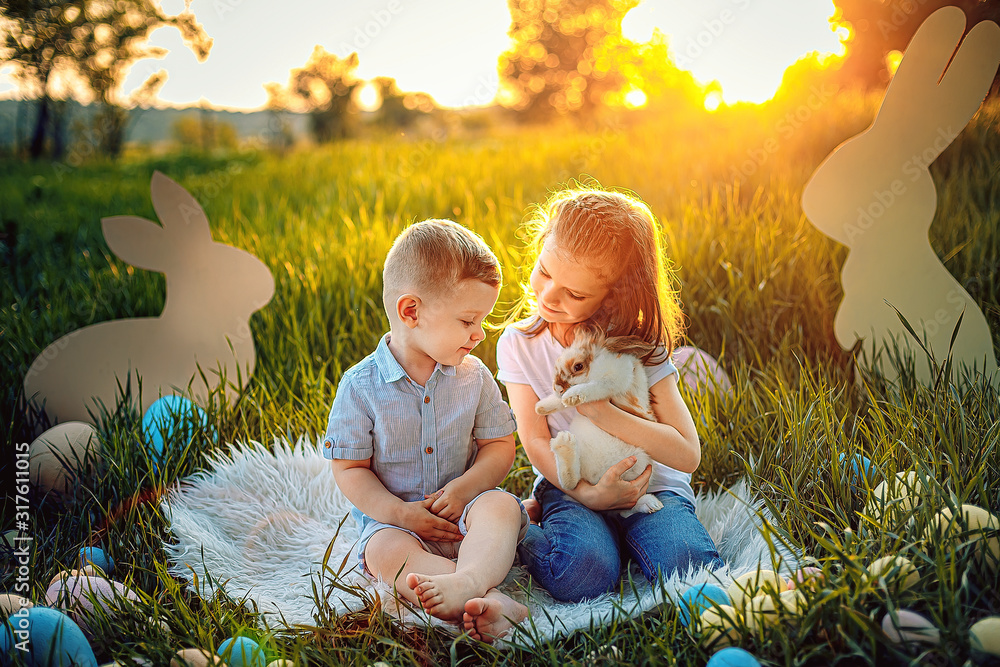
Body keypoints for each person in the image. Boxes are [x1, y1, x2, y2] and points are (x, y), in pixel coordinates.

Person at [496, 187, 724, 602]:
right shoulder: (519, 344)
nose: (548, 297)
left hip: (653, 489)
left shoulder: (641, 345)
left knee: (690, 565)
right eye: (545, 272)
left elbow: (687, 454)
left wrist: (602, 413)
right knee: (582, 575)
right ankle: (517, 525)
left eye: (575, 294)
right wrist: (590, 495)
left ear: (615, 293)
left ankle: (630, 540)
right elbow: (535, 440)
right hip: (573, 486)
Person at [324, 219, 530, 642]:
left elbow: (499, 446)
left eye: (483, 321)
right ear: (411, 312)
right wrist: (399, 513)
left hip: (465, 514)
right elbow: (350, 469)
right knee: (383, 554)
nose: (479, 334)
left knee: (503, 508)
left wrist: (466, 489)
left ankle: (470, 582)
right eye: (469, 320)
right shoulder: (361, 387)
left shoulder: (474, 378)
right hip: (399, 522)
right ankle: (487, 596)